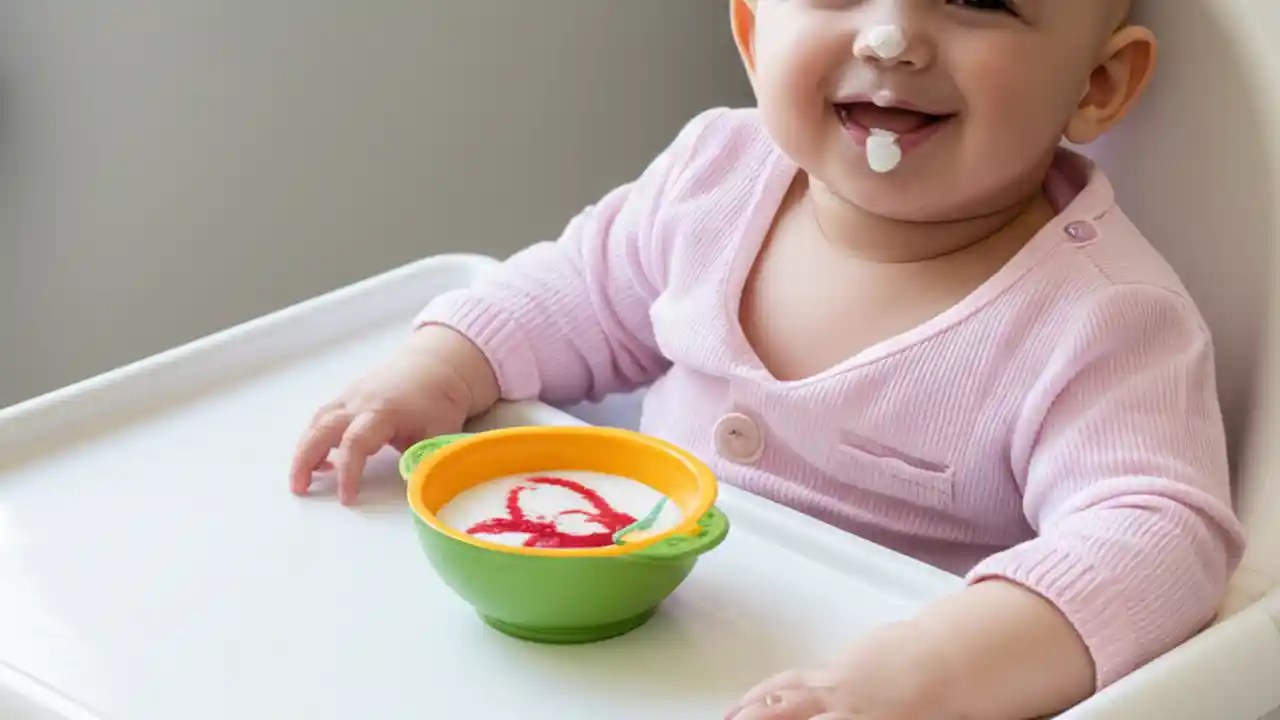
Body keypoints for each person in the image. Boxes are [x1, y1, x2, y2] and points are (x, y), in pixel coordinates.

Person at [291, 1, 1244, 717]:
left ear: (1097, 86)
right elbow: (576, 292)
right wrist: (439, 368)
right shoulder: (713, 173)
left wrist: (917, 677)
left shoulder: (1103, 323)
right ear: (751, 28)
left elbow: (1158, 541)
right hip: (598, 642)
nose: (892, 39)